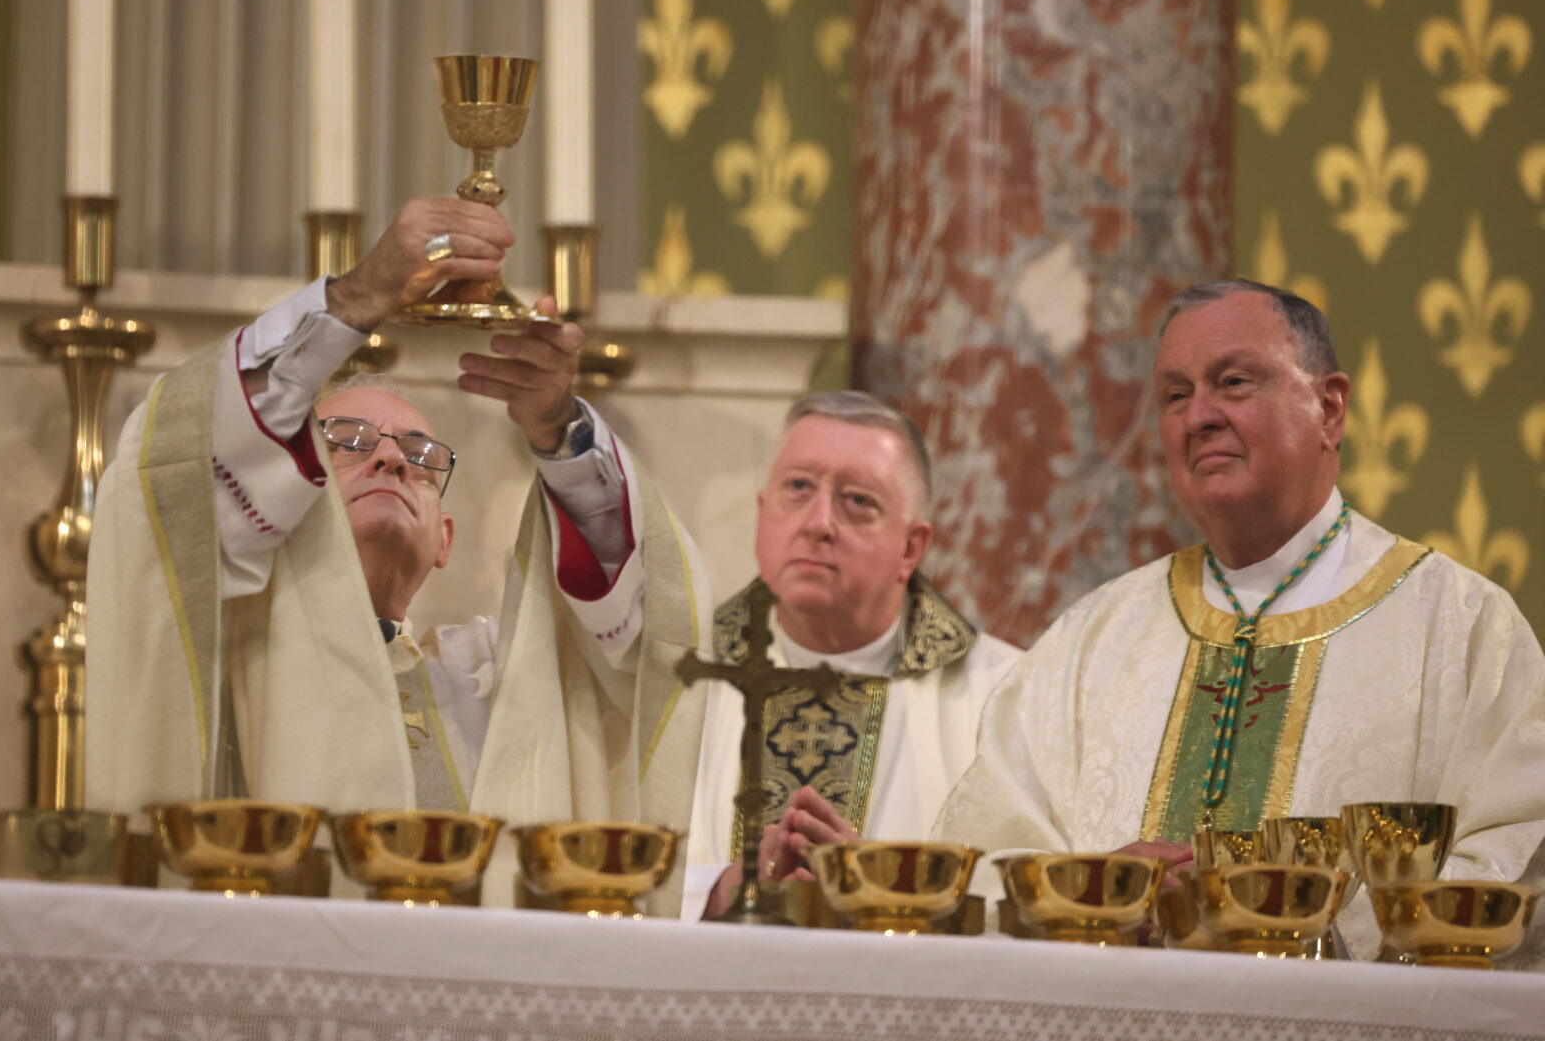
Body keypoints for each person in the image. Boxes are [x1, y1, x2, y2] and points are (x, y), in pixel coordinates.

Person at [87, 199, 711, 912]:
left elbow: (653, 633)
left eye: (419, 457)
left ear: (444, 540)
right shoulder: (228, 659)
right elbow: (172, 474)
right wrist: (356, 298)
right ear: (286, 483)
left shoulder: (500, 686)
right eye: (347, 442)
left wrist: (559, 430)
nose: (388, 462)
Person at [937, 280, 1545, 961]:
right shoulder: (1090, 639)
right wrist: (1093, 894)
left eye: (1233, 382)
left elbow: (1518, 854)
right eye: (1175, 395)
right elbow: (983, 856)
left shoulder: (1463, 630)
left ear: (1330, 407)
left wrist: (1318, 936)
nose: (1199, 415)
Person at [682, 391, 1023, 919]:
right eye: (798, 487)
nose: (819, 521)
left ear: (911, 548)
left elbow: (1027, 901)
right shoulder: (679, 679)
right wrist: (719, 889)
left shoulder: (1007, 696)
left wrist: (886, 891)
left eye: (857, 501)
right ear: (762, 512)